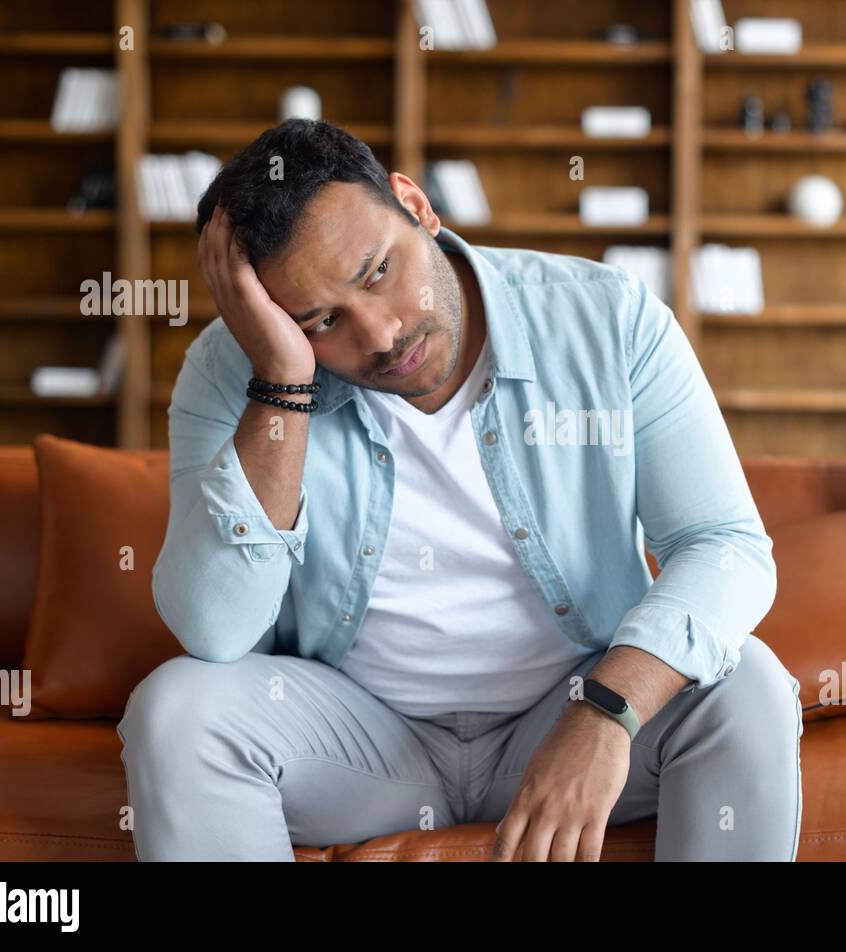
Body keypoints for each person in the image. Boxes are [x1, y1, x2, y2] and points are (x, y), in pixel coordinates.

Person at [116, 119, 802, 861]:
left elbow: (725, 546)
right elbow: (214, 631)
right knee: (174, 711)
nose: (379, 334)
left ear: (416, 206)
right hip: (364, 744)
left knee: (748, 684)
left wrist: (607, 711)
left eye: (377, 271)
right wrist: (281, 384)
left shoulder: (608, 319)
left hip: (570, 710)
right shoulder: (230, 373)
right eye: (322, 321)